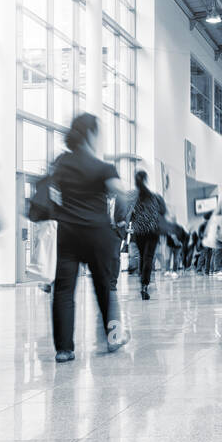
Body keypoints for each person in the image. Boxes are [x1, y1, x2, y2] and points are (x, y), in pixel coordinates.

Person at [50, 113, 129, 362]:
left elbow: (51, 194)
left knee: (64, 290)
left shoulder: (61, 163)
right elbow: (121, 193)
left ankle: (64, 349)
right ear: (91, 134)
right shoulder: (103, 167)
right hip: (97, 234)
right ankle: (114, 339)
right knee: (105, 288)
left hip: (68, 233)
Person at [129, 170, 166, 300]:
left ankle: (142, 285)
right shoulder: (156, 197)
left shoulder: (134, 198)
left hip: (139, 231)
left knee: (142, 258)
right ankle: (145, 285)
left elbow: (130, 215)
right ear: (146, 180)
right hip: (153, 230)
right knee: (148, 257)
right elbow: (163, 211)